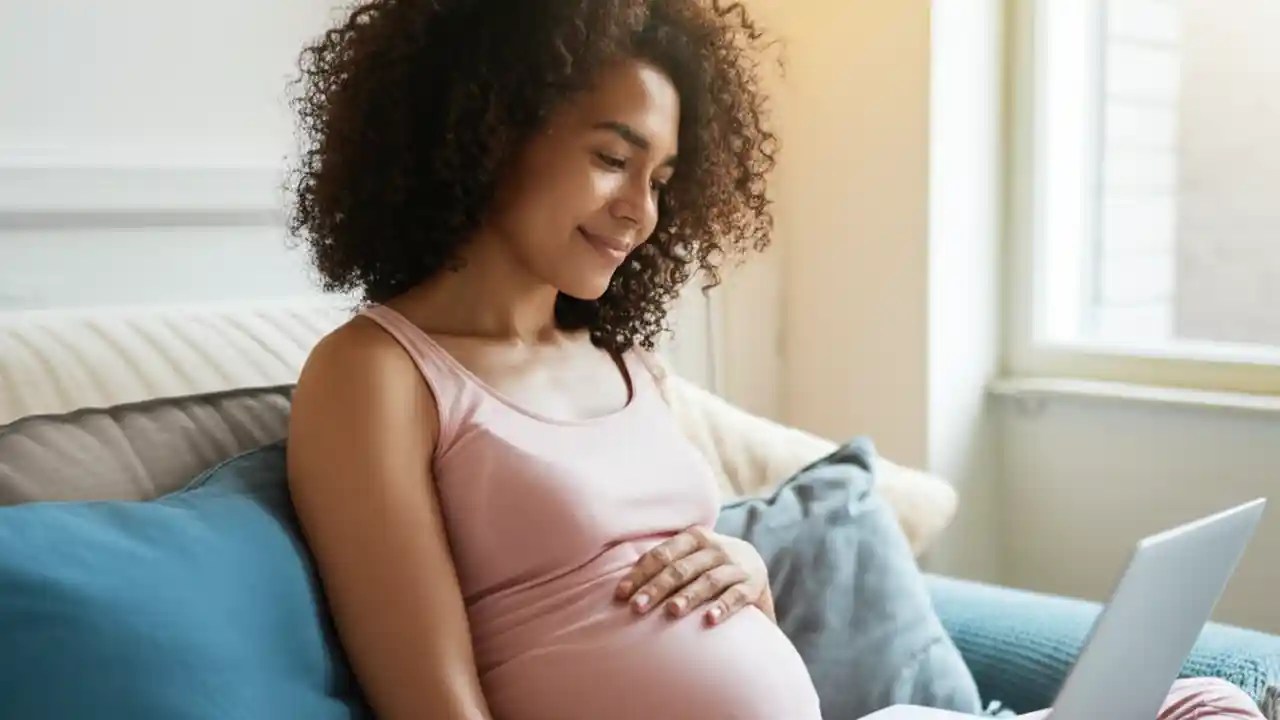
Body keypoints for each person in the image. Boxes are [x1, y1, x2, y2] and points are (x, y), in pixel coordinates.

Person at [282, 1, 1266, 719]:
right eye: (611, 158)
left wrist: (747, 566)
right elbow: (432, 702)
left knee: (1207, 706)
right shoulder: (378, 373)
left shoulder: (626, 363)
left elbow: (691, 581)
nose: (640, 210)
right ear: (486, 131)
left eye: (661, 177)